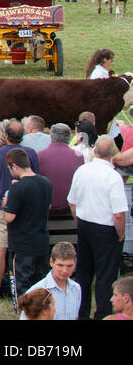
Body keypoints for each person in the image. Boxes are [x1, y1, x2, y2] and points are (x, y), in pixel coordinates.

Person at [67, 136, 128, 319]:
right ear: (113, 154)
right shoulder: (113, 177)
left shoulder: (82, 170)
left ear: (94, 151)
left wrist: (79, 222)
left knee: (84, 274)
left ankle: (81, 313)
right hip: (106, 229)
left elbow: (72, 202)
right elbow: (118, 214)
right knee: (105, 275)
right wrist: (121, 234)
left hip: (85, 225)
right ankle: (102, 313)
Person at [0, 120, 39, 302]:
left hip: (2, 206)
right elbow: (35, 178)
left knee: (0, 248)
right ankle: (24, 288)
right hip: (26, 207)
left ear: (5, 136)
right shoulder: (30, 153)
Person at [3, 147, 53, 305]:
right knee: (41, 282)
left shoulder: (18, 188)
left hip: (22, 244)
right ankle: (41, 310)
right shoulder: (46, 182)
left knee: (20, 282)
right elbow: (49, 206)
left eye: (9, 169)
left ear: (14, 166)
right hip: (42, 241)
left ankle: (23, 311)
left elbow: (9, 217)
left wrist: (6, 201)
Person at [24, 242, 81, 321]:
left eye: (69, 266)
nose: (65, 271)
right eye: (60, 265)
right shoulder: (36, 290)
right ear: (51, 262)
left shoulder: (76, 288)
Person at [38, 124, 84, 212]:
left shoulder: (39, 156)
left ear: (51, 137)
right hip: (70, 208)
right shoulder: (78, 157)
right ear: (69, 137)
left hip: (45, 208)